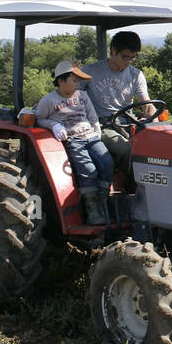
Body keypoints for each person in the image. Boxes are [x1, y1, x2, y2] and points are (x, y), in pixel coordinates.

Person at [35, 60, 114, 223]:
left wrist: (97, 130)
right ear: (61, 81)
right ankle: (91, 209)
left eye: (78, 81)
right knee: (88, 169)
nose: (78, 84)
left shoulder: (83, 96)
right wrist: (54, 125)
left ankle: (102, 201)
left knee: (107, 162)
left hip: (90, 136)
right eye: (74, 80)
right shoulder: (49, 100)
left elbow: (92, 116)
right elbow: (39, 118)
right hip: (73, 139)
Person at [83, 32, 155, 174]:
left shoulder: (136, 75)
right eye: (125, 56)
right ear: (113, 51)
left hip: (128, 123)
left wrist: (155, 121)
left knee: (156, 146)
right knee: (125, 148)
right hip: (102, 125)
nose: (128, 61)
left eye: (132, 58)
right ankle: (134, 190)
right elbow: (68, 94)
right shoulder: (90, 72)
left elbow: (146, 103)